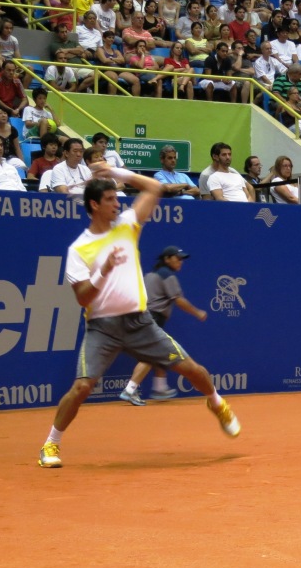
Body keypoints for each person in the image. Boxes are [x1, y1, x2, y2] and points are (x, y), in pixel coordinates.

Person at [38, 164, 240, 468]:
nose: (118, 202)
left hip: (140, 322)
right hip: (102, 329)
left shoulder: (128, 224)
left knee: (193, 369)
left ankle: (216, 402)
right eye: (110, 198)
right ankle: (51, 445)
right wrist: (104, 271)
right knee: (81, 387)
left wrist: (115, 172)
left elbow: (154, 188)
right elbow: (83, 298)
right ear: (94, 205)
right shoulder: (79, 249)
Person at [118, 246, 209, 405]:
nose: (180, 262)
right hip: (153, 318)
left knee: (160, 352)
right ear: (167, 259)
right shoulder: (168, 276)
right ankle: (130, 390)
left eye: (182, 259)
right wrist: (197, 312)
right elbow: (179, 300)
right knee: (151, 354)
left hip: (140, 317)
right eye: (177, 258)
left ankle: (160, 388)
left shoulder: (149, 275)